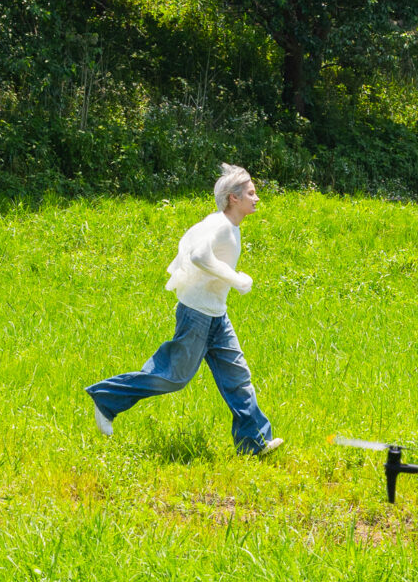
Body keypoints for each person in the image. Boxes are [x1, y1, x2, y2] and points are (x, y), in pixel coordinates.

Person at [85, 164, 284, 457]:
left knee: (238, 378)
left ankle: (255, 444)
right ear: (234, 198)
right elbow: (199, 255)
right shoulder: (220, 226)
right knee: (173, 377)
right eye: (251, 193)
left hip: (217, 315)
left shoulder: (228, 225)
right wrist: (237, 280)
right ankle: (106, 398)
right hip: (197, 315)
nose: (257, 198)